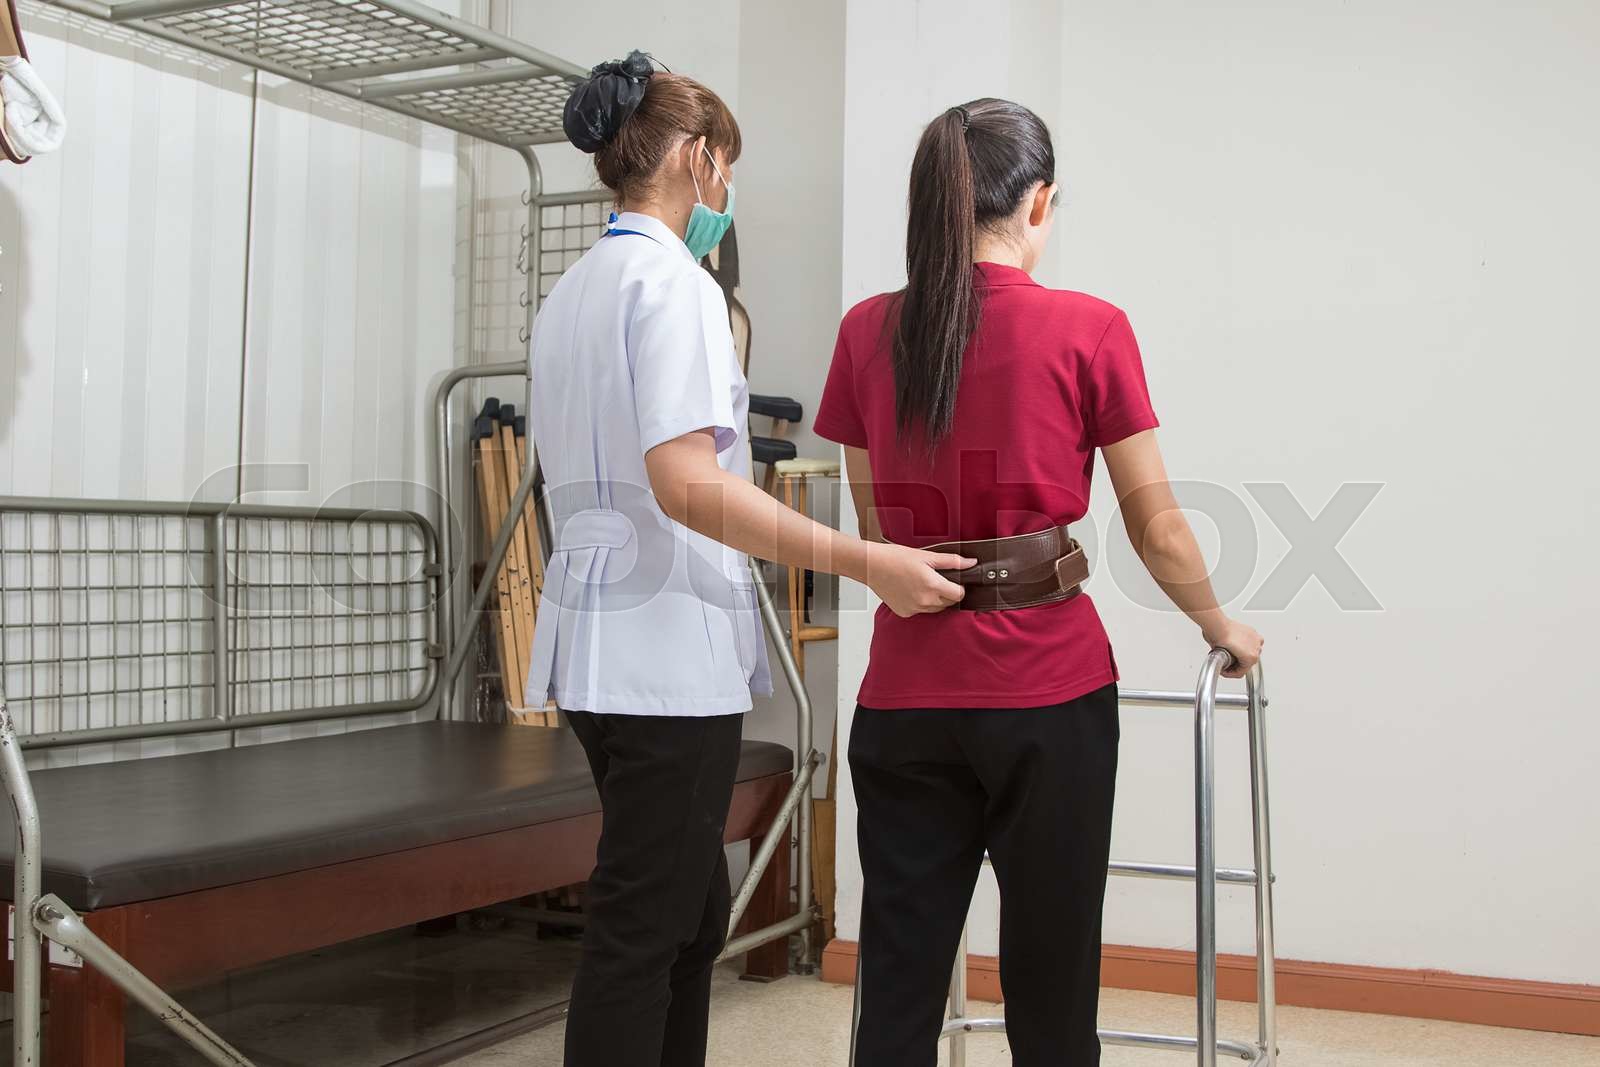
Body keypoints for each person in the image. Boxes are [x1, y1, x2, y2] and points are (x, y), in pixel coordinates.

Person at [527, 53, 976, 1067]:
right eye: (725, 165)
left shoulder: (574, 293)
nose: (727, 190)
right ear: (696, 158)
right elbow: (688, 484)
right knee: (647, 924)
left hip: (596, 648)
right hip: (661, 653)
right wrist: (865, 559)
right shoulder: (676, 289)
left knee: (689, 914)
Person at [814, 98, 1265, 1067]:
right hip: (1047, 693)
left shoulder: (865, 331)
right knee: (1052, 980)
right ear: (1039, 202)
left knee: (897, 978)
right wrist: (1219, 622)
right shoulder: (1088, 328)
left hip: (904, 698)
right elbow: (1158, 527)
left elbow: (878, 532)